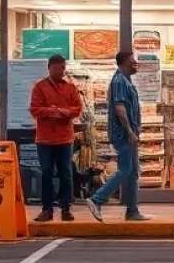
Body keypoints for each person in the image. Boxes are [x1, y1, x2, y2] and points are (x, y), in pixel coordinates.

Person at [87, 51, 150, 222]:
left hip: (130, 134)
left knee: (133, 172)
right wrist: (129, 131)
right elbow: (119, 108)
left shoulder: (125, 80)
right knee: (126, 169)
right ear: (123, 62)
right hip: (123, 134)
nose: (136, 63)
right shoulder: (119, 81)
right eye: (133, 61)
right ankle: (96, 199)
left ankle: (132, 211)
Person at [29, 54, 83, 222]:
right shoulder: (40, 87)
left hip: (65, 140)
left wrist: (58, 111)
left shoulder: (70, 88)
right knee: (46, 174)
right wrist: (58, 111)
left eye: (63, 67)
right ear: (50, 67)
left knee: (66, 174)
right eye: (59, 67)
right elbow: (35, 109)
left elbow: (77, 109)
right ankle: (47, 209)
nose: (62, 71)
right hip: (45, 140)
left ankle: (66, 208)